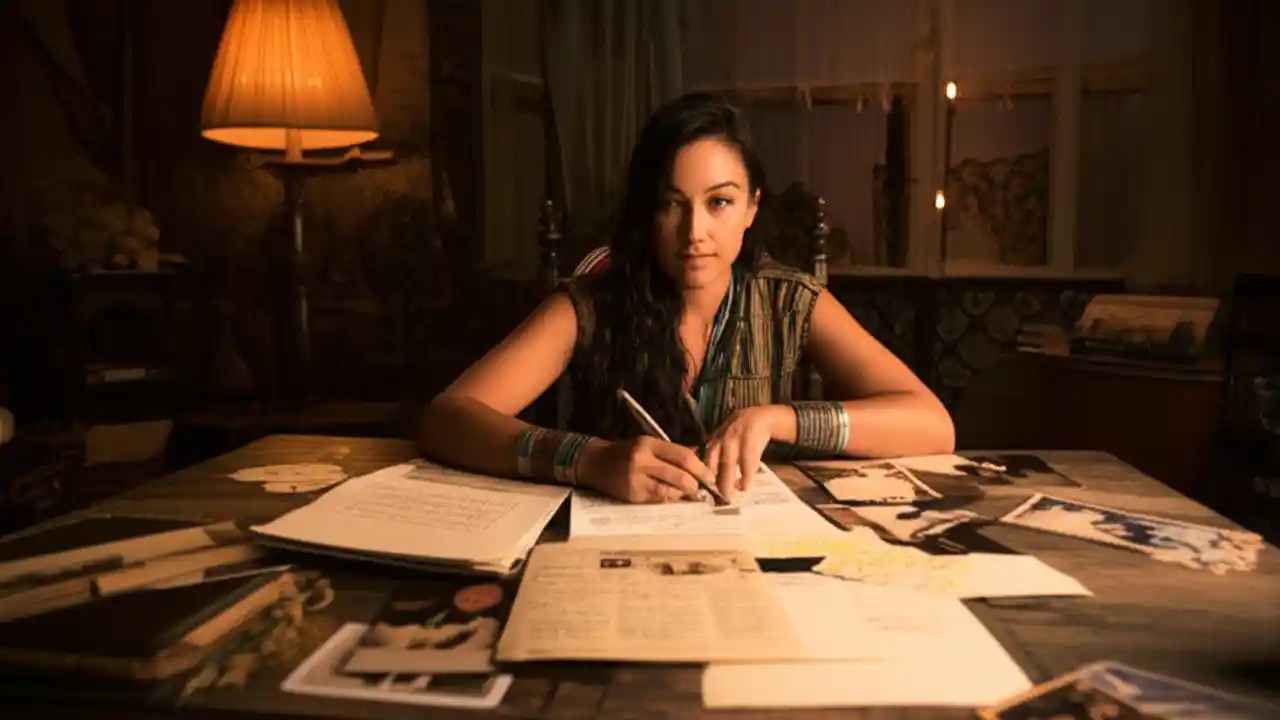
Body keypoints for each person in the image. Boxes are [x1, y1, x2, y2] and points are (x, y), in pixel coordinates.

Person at [418, 92, 954, 505]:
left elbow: (932, 424)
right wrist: (590, 460)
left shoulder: (789, 302)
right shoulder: (592, 305)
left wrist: (776, 419)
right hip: (611, 556)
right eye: (671, 204)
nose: (694, 232)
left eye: (719, 202)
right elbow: (446, 418)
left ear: (751, 208)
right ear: (646, 212)